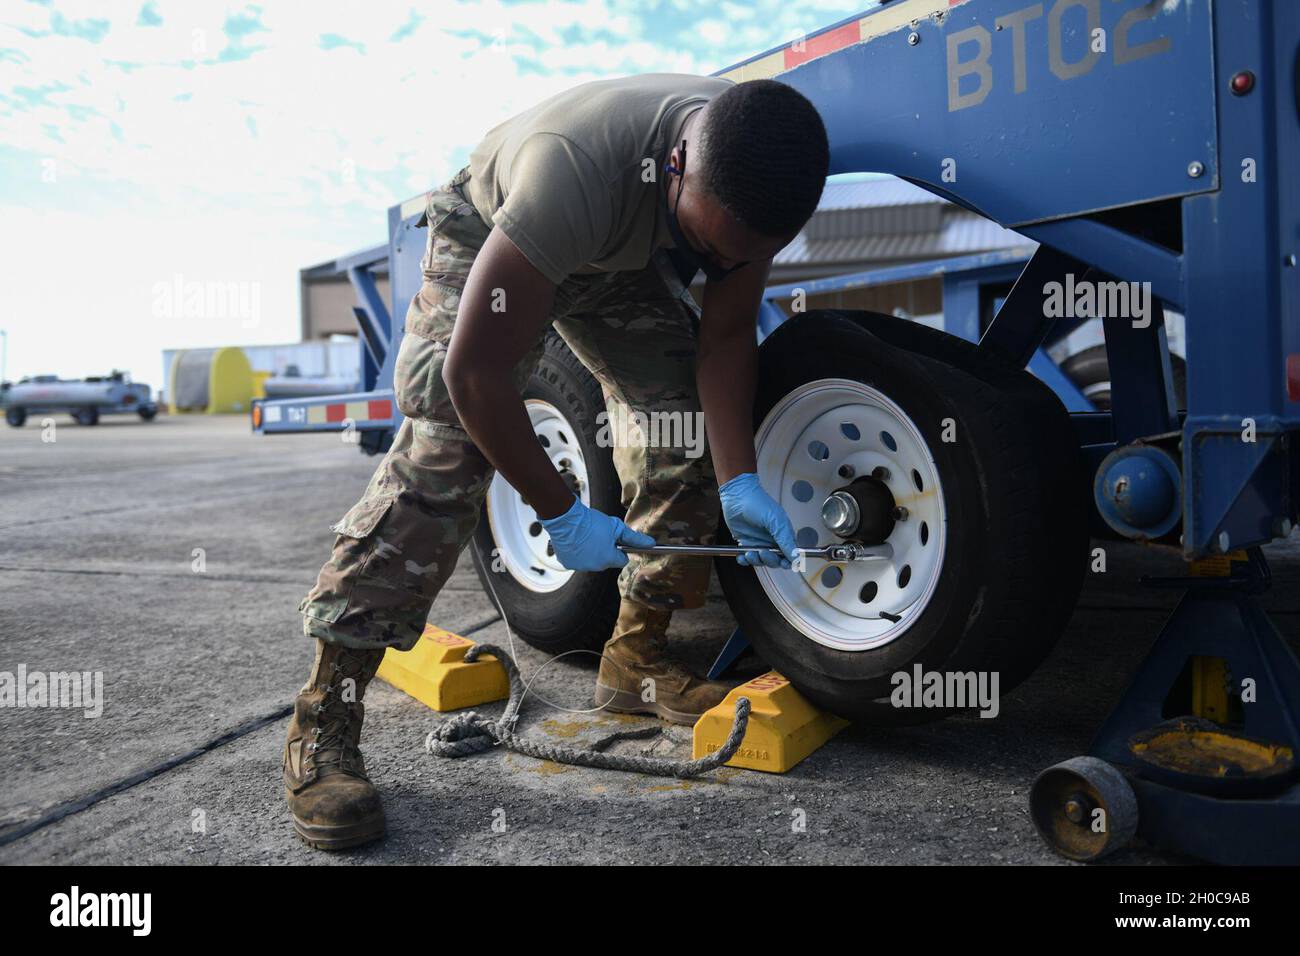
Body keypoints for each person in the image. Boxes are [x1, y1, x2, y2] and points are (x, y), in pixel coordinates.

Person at [282, 73, 830, 849]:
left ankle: (638, 662)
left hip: (624, 251)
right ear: (674, 165)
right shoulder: (573, 169)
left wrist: (738, 479)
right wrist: (559, 511)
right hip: (498, 227)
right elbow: (472, 372)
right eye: (707, 249)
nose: (717, 264)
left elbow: (727, 340)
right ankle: (324, 721)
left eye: (736, 258)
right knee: (448, 446)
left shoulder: (748, 188)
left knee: (683, 421)